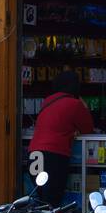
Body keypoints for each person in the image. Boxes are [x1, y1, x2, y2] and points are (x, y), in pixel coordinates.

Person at [28, 70, 94, 205]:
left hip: (34, 154)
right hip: (54, 156)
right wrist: (83, 104)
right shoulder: (74, 104)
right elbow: (88, 128)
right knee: (53, 199)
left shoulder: (47, 101)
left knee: (41, 197)